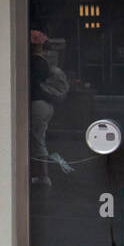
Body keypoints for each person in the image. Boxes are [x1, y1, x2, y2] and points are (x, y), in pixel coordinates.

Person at [30, 29, 71, 186]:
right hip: (46, 104)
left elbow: (33, 85)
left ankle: (43, 176)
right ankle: (40, 175)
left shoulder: (35, 62)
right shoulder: (45, 61)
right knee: (39, 139)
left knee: (37, 140)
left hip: (37, 105)